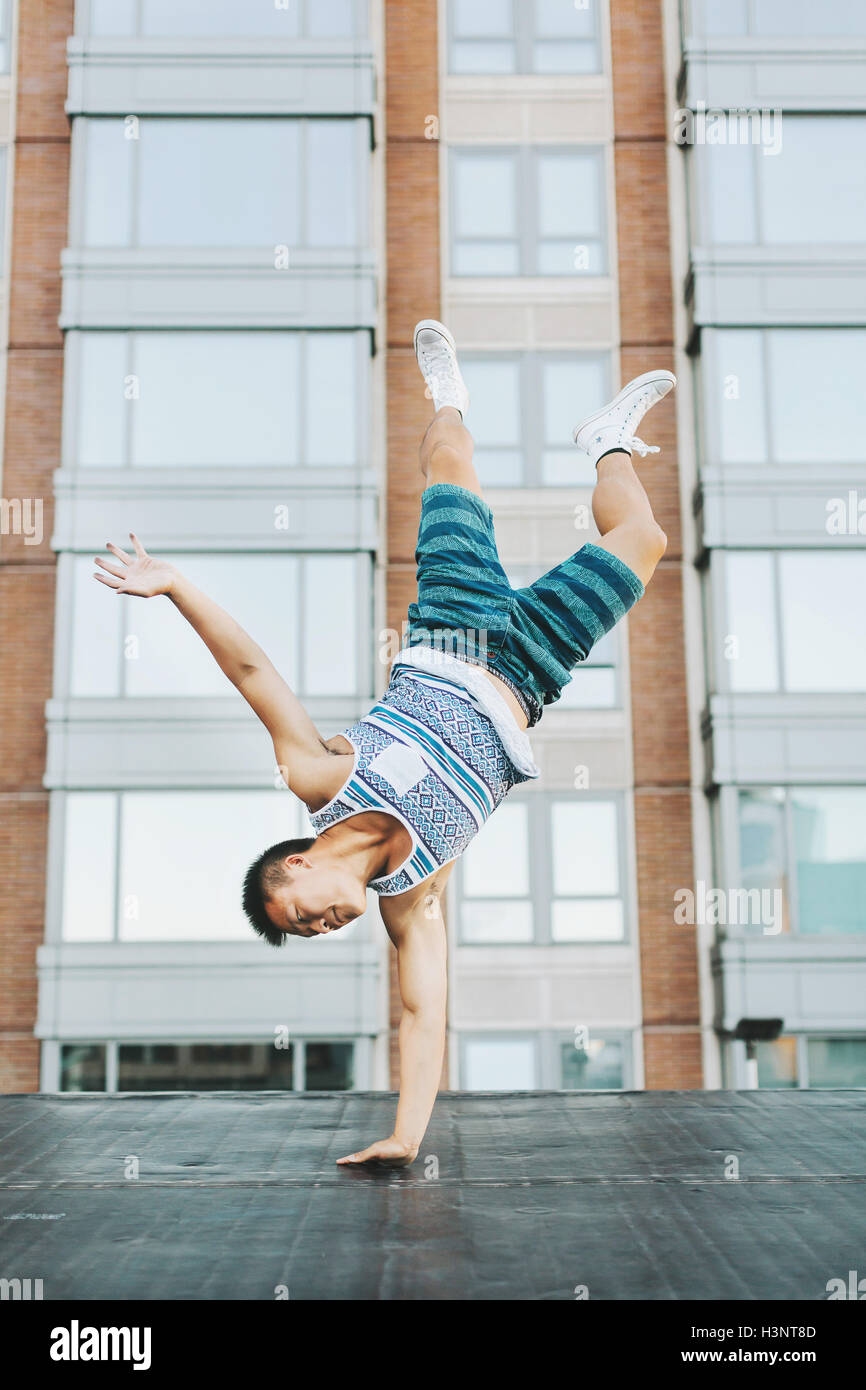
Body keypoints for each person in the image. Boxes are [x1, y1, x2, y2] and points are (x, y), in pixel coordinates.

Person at [93, 320, 674, 1167]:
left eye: (305, 913)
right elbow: (422, 1013)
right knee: (645, 543)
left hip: (457, 628)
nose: (326, 924)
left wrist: (177, 586)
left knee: (452, 470)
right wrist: (407, 1135)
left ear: (296, 862)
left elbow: (255, 673)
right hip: (532, 671)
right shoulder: (414, 896)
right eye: (317, 932)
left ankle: (447, 398)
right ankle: (609, 442)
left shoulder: (323, 777)